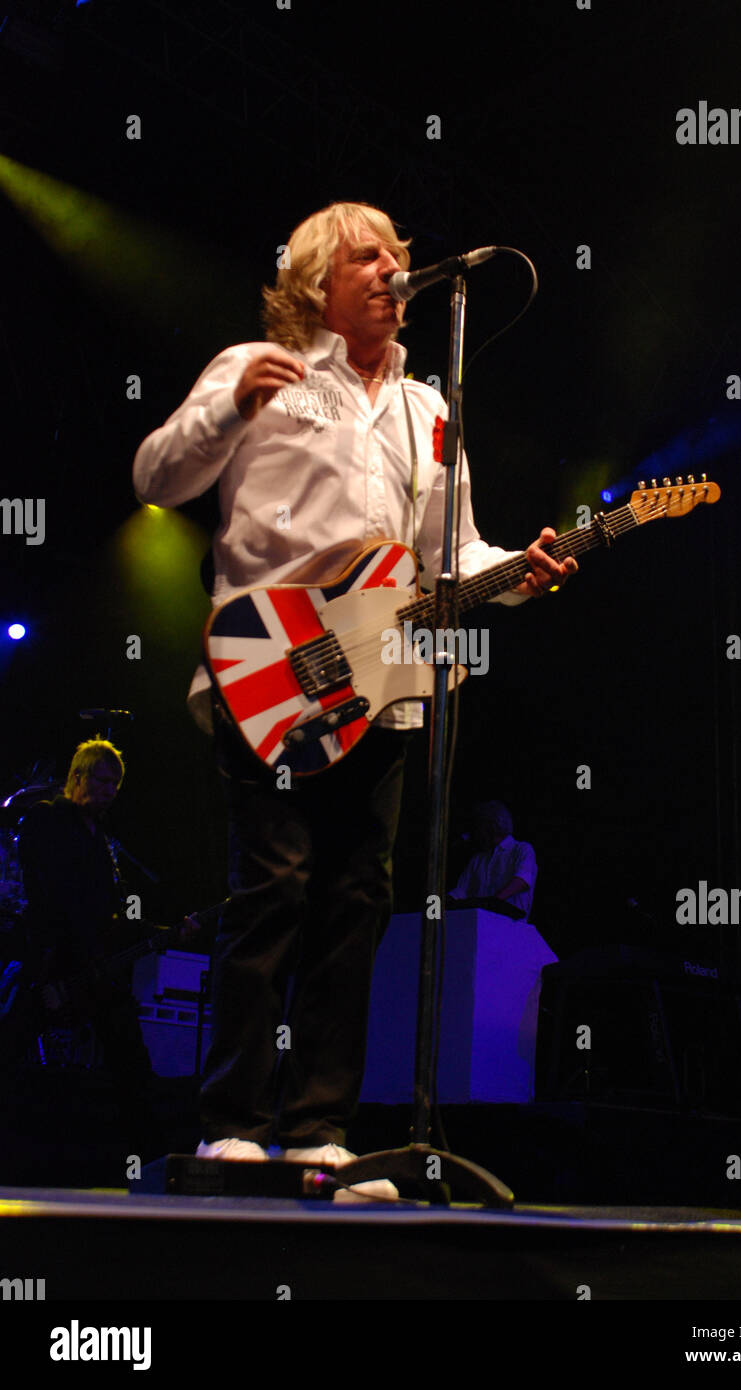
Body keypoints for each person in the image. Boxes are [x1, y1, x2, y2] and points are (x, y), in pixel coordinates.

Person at [132, 202, 576, 1195]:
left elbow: (453, 554)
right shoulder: (261, 367)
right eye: (365, 256)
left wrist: (524, 569)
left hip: (382, 686)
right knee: (273, 889)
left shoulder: (428, 408)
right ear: (314, 280)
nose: (389, 268)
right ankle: (233, 1125)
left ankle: (319, 1131)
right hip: (272, 666)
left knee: (356, 901)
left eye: (395, 255)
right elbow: (157, 477)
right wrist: (227, 408)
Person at [16, 739, 157, 1152]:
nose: (110, 790)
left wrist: (154, 930)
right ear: (77, 777)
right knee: (15, 1046)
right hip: (52, 961)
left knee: (131, 1062)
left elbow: (107, 910)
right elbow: (47, 896)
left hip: (92, 968)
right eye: (102, 780)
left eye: (115, 784)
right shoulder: (46, 820)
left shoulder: (100, 839)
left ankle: (141, 1156)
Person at [449, 801, 537, 919]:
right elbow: (460, 891)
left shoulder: (522, 849)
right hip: (478, 923)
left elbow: (522, 881)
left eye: (478, 827)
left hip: (511, 925)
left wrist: (492, 902)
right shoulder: (478, 859)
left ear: (491, 826)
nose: (476, 833)